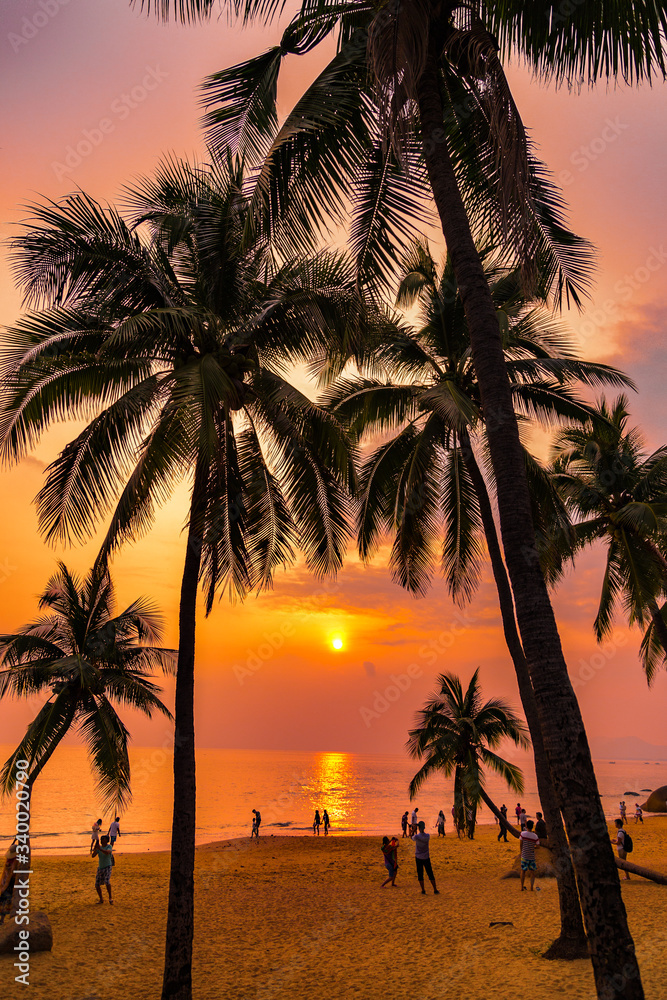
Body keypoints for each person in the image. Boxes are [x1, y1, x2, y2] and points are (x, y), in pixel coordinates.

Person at [412, 821, 439, 895]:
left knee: (420, 874)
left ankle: (423, 890)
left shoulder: (417, 836)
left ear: (419, 828)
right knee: (430, 873)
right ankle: (435, 889)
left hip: (418, 857)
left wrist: (414, 830)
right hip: (426, 857)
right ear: (424, 827)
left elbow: (412, 837)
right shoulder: (427, 836)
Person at [519, 819, 540, 891]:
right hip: (531, 856)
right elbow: (538, 846)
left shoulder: (523, 834)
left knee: (523, 871)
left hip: (524, 855)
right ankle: (531, 887)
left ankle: (522, 886)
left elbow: (521, 844)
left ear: (526, 826)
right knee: (532, 872)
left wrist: (521, 852)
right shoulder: (535, 836)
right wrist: (532, 847)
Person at [93, 834, 114, 904]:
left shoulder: (109, 846)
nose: (102, 840)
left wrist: (100, 849)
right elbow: (93, 856)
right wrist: (95, 849)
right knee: (97, 884)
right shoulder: (100, 848)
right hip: (100, 867)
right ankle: (101, 899)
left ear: (107, 840)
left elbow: (107, 853)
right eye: (101, 839)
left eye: (103, 839)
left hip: (107, 866)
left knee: (107, 882)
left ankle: (110, 897)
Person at [0, 843, 18, 924]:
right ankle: (2, 919)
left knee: (5, 900)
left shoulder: (11, 861)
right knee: (6, 900)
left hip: (7, 882)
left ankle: (2, 919)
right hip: (9, 882)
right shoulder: (14, 861)